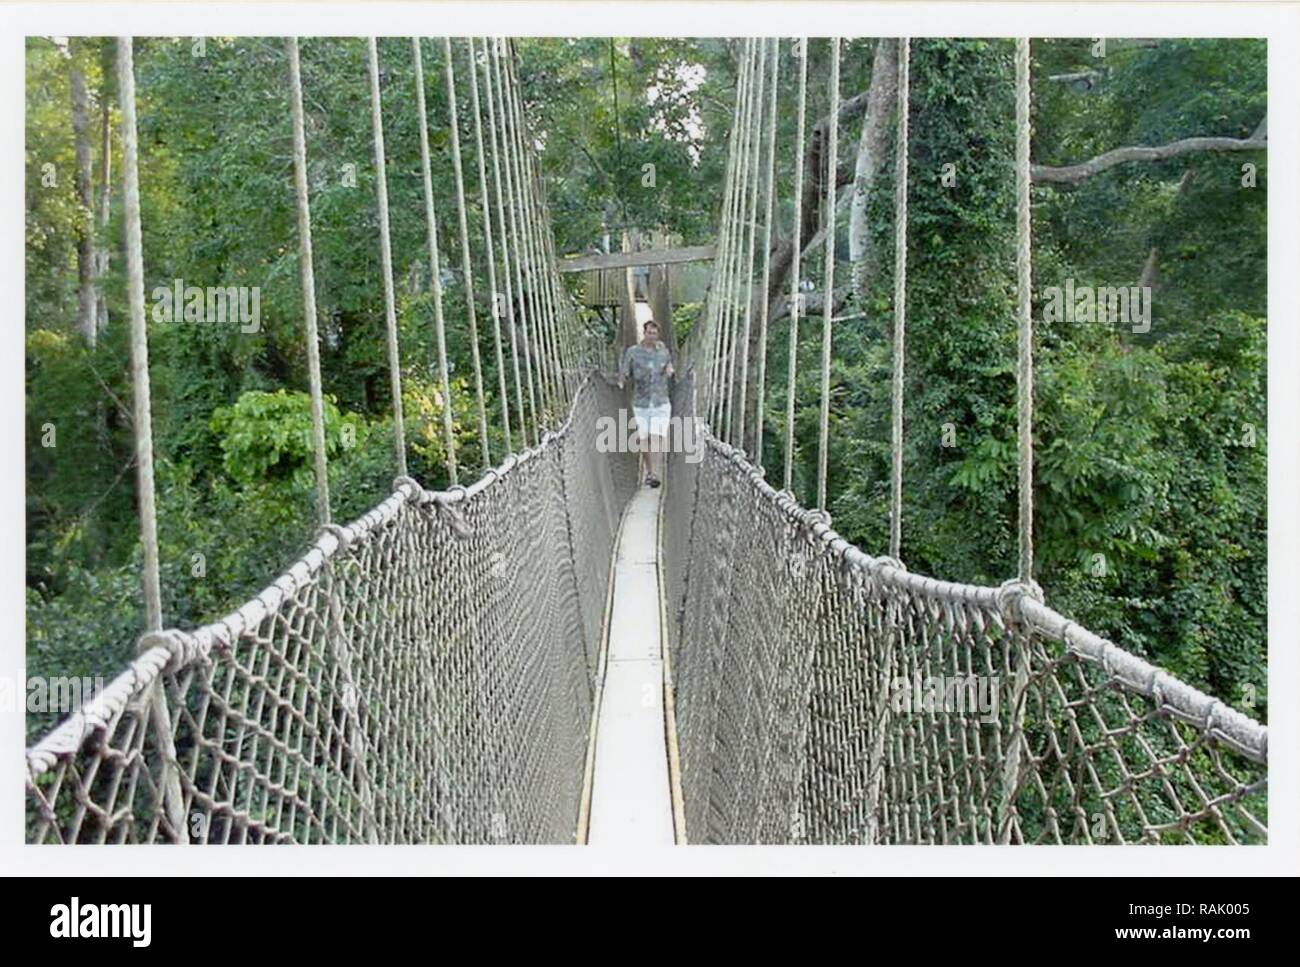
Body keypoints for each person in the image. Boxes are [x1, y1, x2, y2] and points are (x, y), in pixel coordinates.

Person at [619, 318, 674, 488]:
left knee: (656, 437)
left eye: (655, 333)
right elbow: (625, 371)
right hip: (640, 403)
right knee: (644, 439)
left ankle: (655, 473)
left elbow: (669, 366)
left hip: (661, 402)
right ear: (644, 333)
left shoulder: (663, 352)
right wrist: (621, 380)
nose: (652, 336)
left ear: (658, 335)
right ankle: (650, 471)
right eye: (649, 333)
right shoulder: (633, 352)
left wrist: (670, 370)